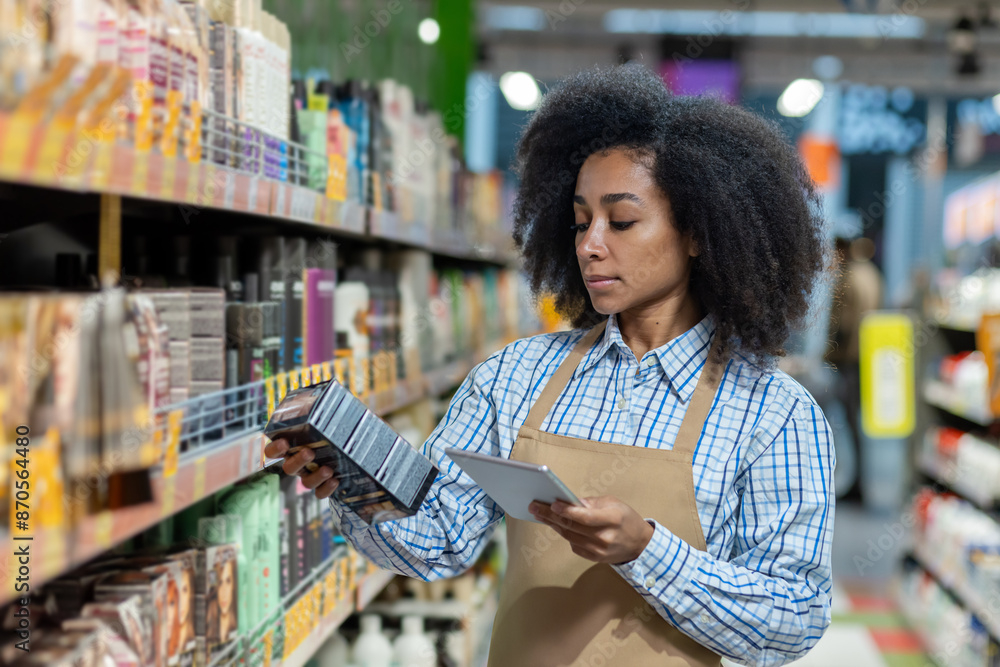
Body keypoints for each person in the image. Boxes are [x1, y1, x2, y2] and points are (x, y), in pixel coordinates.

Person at [266, 64, 835, 667]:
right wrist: (356, 488)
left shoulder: (773, 414)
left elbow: (792, 620)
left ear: (699, 233)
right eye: (581, 221)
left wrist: (646, 552)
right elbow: (439, 542)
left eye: (621, 222)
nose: (590, 244)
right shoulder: (515, 376)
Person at [826, 236, 883, 502]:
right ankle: (860, 480)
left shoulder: (849, 277)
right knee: (858, 421)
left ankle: (857, 483)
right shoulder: (872, 274)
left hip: (849, 359)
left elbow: (844, 324)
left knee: (848, 420)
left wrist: (829, 353)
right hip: (868, 356)